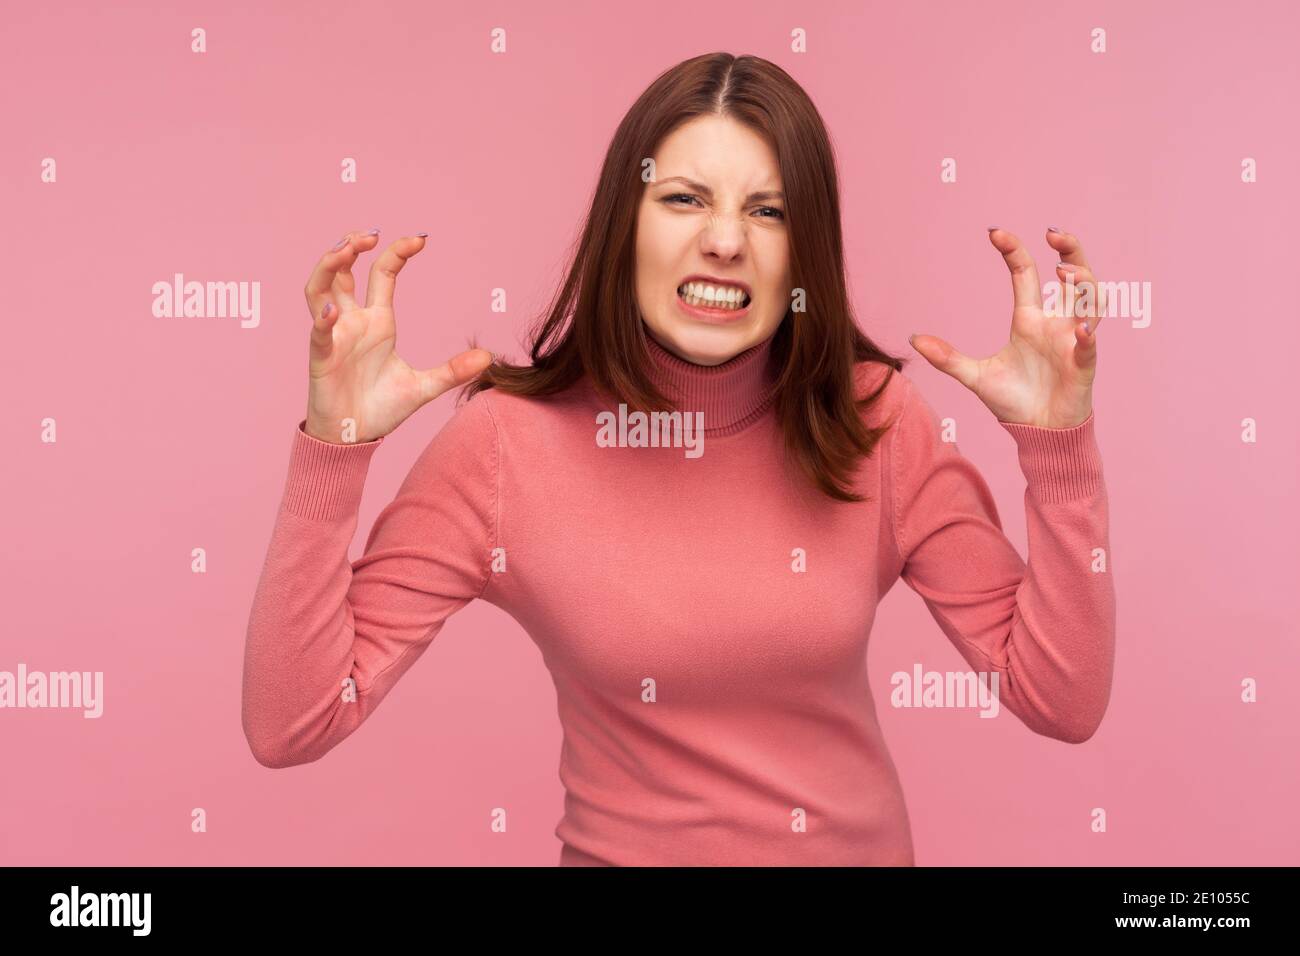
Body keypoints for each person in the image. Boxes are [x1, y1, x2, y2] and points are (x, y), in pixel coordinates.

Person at [241, 52, 1115, 866]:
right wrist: (335, 448)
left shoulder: (875, 422)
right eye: (685, 199)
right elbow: (292, 723)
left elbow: (1060, 701)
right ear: (625, 226)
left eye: (768, 211)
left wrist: (1059, 451)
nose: (726, 242)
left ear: (804, 253)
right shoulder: (505, 445)